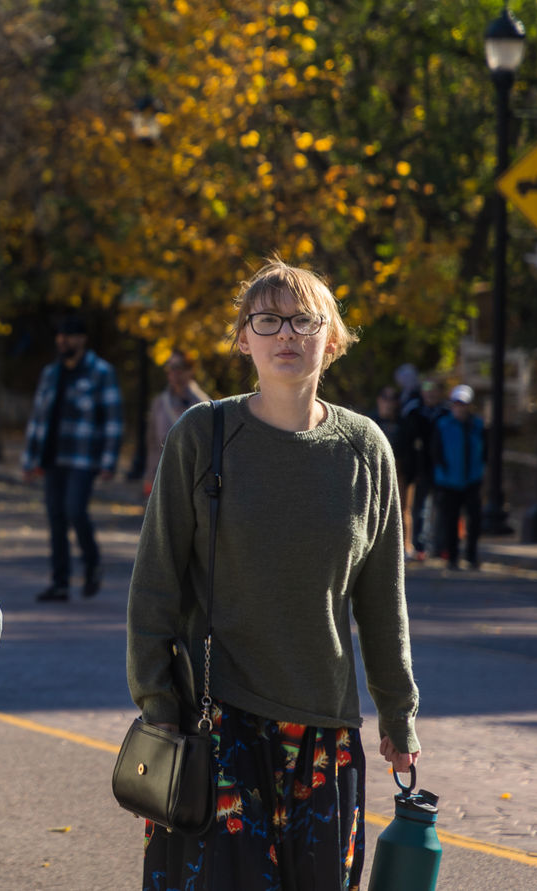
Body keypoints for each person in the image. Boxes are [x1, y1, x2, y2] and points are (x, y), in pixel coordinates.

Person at [127, 257, 419, 890]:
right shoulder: (202, 435)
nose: (286, 334)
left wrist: (399, 715)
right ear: (243, 340)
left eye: (304, 320)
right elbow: (155, 582)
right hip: (217, 722)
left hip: (325, 730)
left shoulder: (366, 449)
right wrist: (157, 705)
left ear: (332, 339)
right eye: (267, 320)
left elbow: (381, 599)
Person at [21, 314, 122, 601]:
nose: (62, 340)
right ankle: (61, 582)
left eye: (69, 335)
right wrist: (30, 459)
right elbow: (37, 419)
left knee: (75, 511)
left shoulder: (101, 373)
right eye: (60, 336)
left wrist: (108, 462)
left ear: (82, 340)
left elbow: (113, 420)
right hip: (52, 458)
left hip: (83, 458)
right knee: (55, 518)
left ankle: (92, 565)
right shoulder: (51, 373)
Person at [431, 383, 484, 570]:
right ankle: (452, 556)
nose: (460, 407)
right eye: (457, 403)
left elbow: (484, 450)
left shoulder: (477, 425)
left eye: (464, 403)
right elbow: (436, 451)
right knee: (451, 521)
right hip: (449, 480)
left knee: (475, 520)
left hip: (472, 479)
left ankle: (471, 555)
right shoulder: (443, 425)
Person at [143, 350, 209, 496]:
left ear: (190, 370)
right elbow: (152, 443)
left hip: (193, 482)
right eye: (169, 366)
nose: (173, 371)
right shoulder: (159, 403)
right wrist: (149, 476)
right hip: (162, 479)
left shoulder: (204, 404)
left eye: (178, 366)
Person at [369, 384, 417, 553]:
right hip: (374, 472)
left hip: (400, 472)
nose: (389, 403)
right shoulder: (370, 422)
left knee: (402, 510)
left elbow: (411, 452)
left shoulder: (404, 425)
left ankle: (405, 546)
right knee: (373, 511)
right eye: (385, 398)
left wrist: (409, 474)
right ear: (379, 400)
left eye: (393, 399)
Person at [405, 379, 446, 562]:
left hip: (441, 467)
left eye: (433, 390)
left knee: (440, 508)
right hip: (419, 467)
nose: (430, 394)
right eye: (426, 390)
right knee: (419, 508)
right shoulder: (413, 411)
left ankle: (439, 546)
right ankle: (420, 546)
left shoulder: (446, 413)